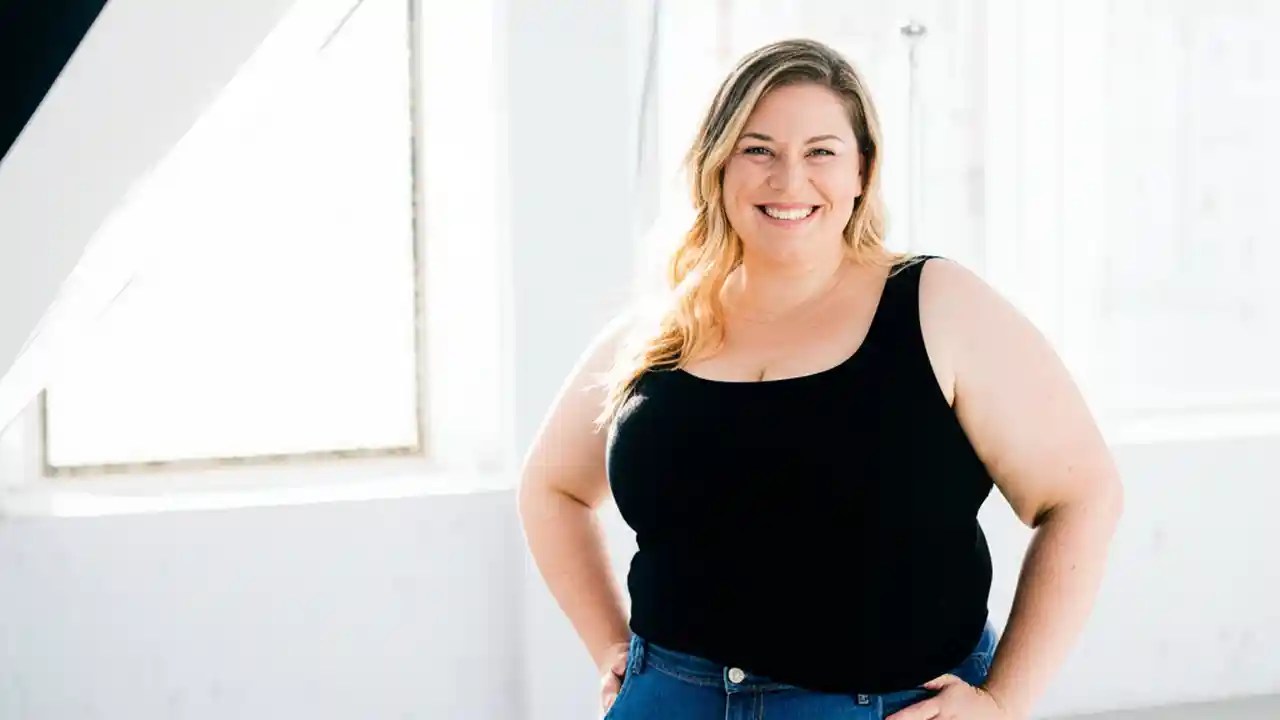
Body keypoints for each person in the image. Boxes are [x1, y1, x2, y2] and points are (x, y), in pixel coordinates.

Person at [517, 38, 1124, 720]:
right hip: (670, 701)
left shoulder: (937, 305)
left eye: (821, 152)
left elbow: (1081, 494)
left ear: (863, 170)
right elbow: (552, 487)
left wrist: (1004, 701)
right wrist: (610, 648)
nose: (788, 180)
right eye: (759, 149)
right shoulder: (661, 328)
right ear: (718, 165)